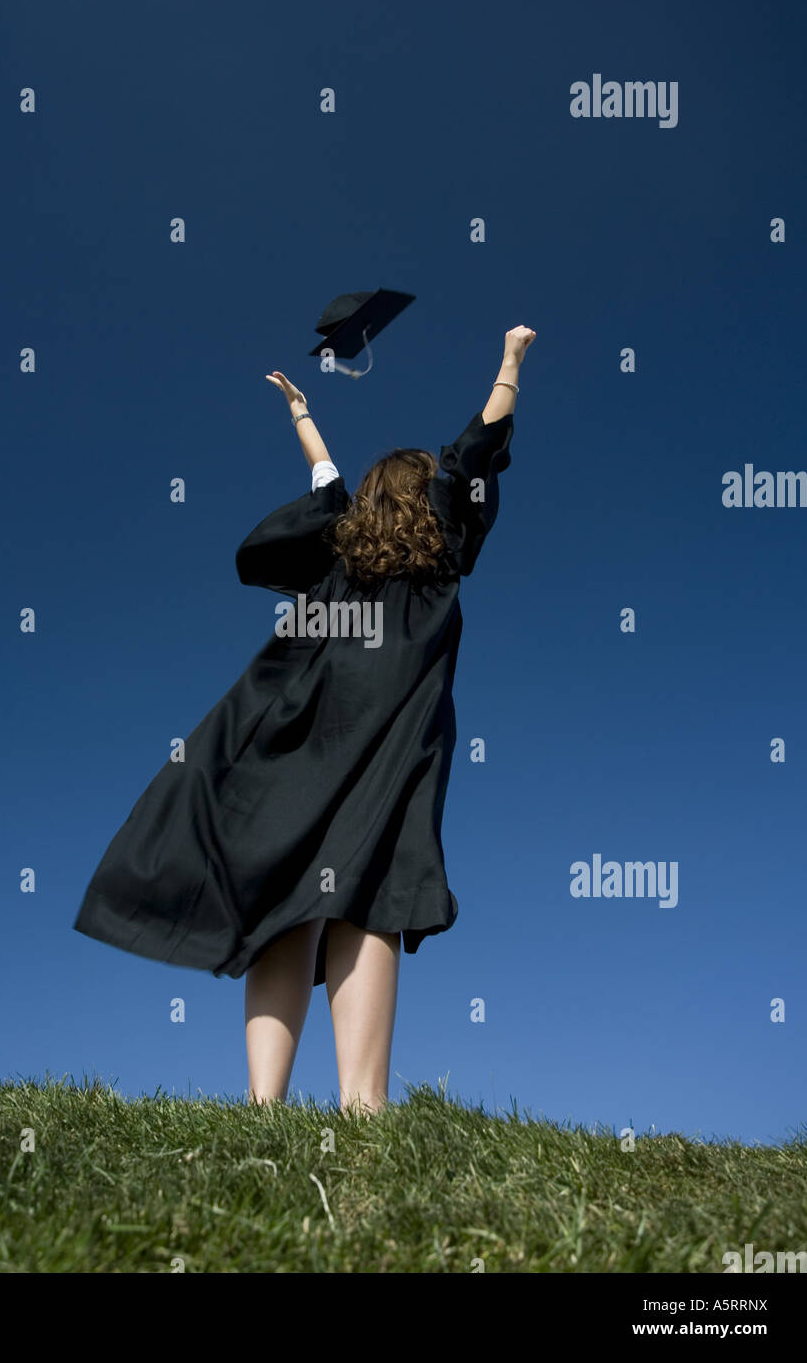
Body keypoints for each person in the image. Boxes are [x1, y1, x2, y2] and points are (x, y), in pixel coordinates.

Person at [74, 324, 536, 1115]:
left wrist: (302, 420)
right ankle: (364, 1107)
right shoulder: (441, 552)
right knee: (372, 895)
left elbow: (325, 489)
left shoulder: (336, 564)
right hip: (394, 741)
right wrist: (509, 364)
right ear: (428, 497)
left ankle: (264, 1106)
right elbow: (476, 447)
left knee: (288, 900)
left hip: (299, 737)